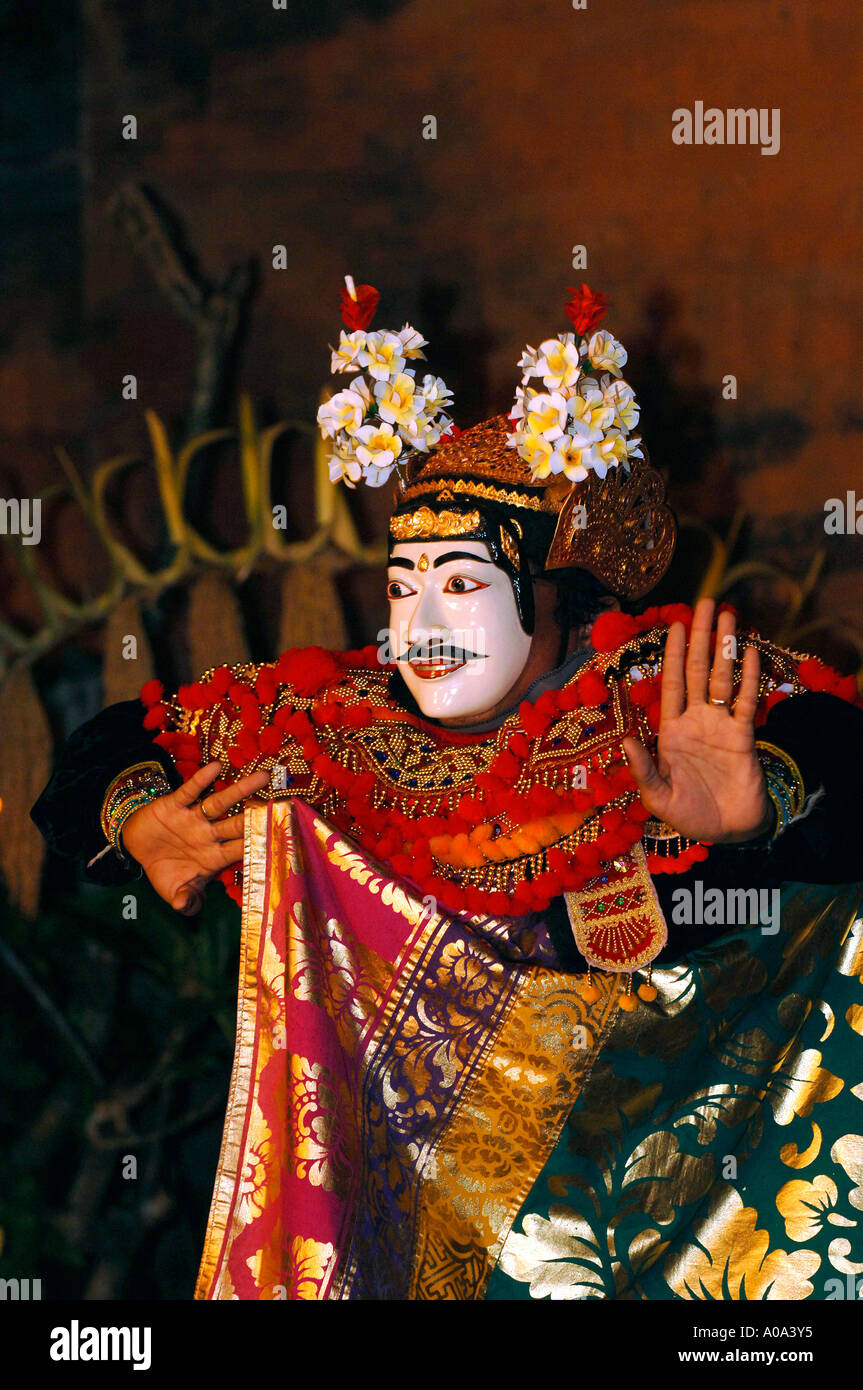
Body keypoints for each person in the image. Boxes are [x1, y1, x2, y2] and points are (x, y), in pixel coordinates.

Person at [32, 285, 863, 1301]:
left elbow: (836, 765)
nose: (421, 616)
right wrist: (139, 822)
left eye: (462, 583)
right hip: (386, 1228)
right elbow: (113, 749)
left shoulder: (652, 697)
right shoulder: (334, 718)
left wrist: (757, 817)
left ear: (557, 594)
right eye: (401, 580)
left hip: (642, 1216)